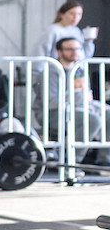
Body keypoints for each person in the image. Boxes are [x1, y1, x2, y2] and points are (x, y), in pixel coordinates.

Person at [34, 37, 110, 165]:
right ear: (59, 52)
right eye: (70, 49)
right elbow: (51, 102)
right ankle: (73, 162)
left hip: (81, 108)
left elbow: (87, 97)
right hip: (52, 113)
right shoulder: (50, 72)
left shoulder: (80, 69)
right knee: (92, 120)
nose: (75, 52)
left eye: (77, 48)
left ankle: (104, 160)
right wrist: (78, 95)